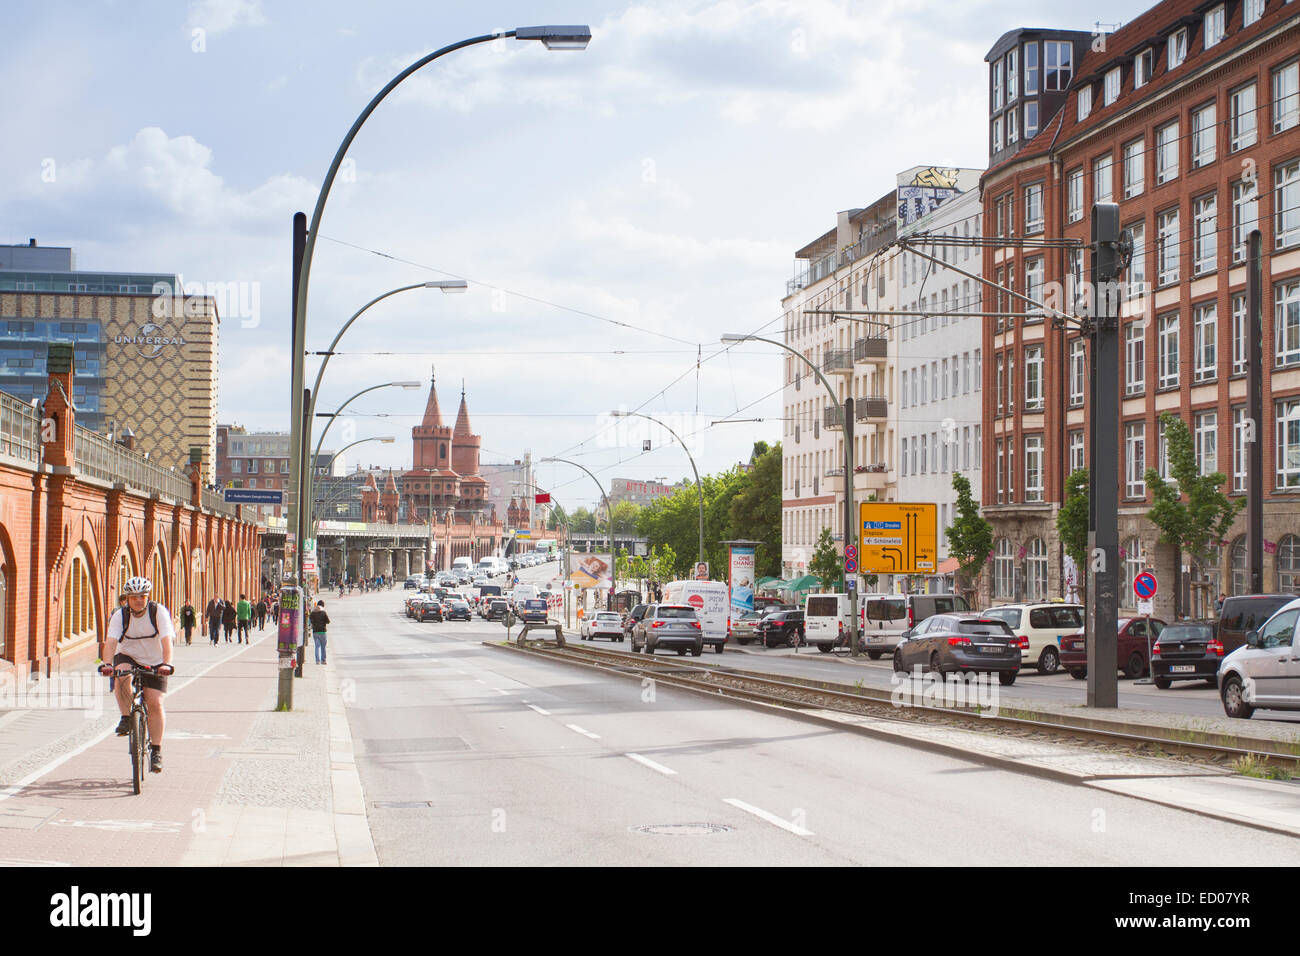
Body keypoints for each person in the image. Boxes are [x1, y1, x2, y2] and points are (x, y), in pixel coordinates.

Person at [98, 576, 174, 774]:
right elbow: (111, 643)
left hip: (155, 660)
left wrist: (167, 664)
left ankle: (156, 751)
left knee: (155, 702)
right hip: (128, 655)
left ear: (148, 597)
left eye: (143, 596)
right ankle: (125, 717)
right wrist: (107, 664)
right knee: (121, 676)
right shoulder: (120, 616)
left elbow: (167, 642)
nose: (139, 600)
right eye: (134, 597)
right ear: (127, 599)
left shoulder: (158, 612)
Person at [309, 600, 330, 664]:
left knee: (317, 646)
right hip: (323, 631)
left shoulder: (312, 612)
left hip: (315, 631)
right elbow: (328, 621)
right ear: (323, 605)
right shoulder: (323, 612)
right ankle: (323, 660)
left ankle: (317, 661)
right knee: (323, 647)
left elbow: (310, 621)